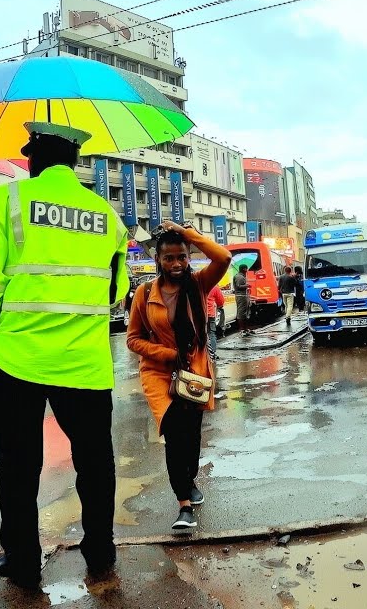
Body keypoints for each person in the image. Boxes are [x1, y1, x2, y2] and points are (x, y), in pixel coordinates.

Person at [0, 121, 129, 589]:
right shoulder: (108, 216)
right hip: (85, 363)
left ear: (32, 159)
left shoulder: (8, 200)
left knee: (18, 466)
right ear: (74, 162)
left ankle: (22, 558)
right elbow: (116, 290)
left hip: (17, 359)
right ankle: (99, 553)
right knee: (96, 463)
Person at [126, 222, 230, 531]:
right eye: (169, 258)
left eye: (182, 257)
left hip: (194, 371)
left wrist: (189, 235)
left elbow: (223, 258)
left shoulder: (199, 284)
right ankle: (183, 503)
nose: (176, 264)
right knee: (174, 435)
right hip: (160, 374)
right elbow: (133, 339)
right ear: (158, 259)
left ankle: (189, 478)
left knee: (192, 436)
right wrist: (166, 354)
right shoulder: (145, 294)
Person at [204, 280, 225, 363]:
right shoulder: (214, 287)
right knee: (211, 334)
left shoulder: (198, 285)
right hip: (210, 314)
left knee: (199, 334)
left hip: (198, 314)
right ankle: (212, 354)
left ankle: (202, 354)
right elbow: (221, 301)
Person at [232, 264, 252, 335]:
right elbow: (239, 286)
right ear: (244, 269)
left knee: (245, 313)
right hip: (241, 296)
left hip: (243, 296)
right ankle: (242, 329)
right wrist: (247, 285)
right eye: (246, 268)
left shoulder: (241, 276)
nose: (247, 270)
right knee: (241, 313)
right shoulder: (239, 277)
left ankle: (245, 329)